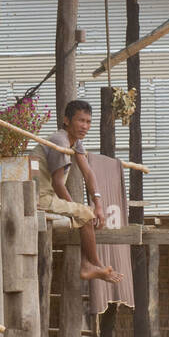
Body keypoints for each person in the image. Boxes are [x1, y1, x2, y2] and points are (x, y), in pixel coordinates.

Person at [35, 99, 122, 283]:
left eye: (88, 122)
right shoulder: (60, 141)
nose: (85, 126)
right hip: (38, 198)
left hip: (47, 195)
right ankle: (95, 265)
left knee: (86, 213)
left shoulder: (74, 142)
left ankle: (90, 265)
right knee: (85, 215)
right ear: (66, 120)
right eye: (80, 121)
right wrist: (77, 209)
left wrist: (98, 204)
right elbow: (58, 183)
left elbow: (88, 172)